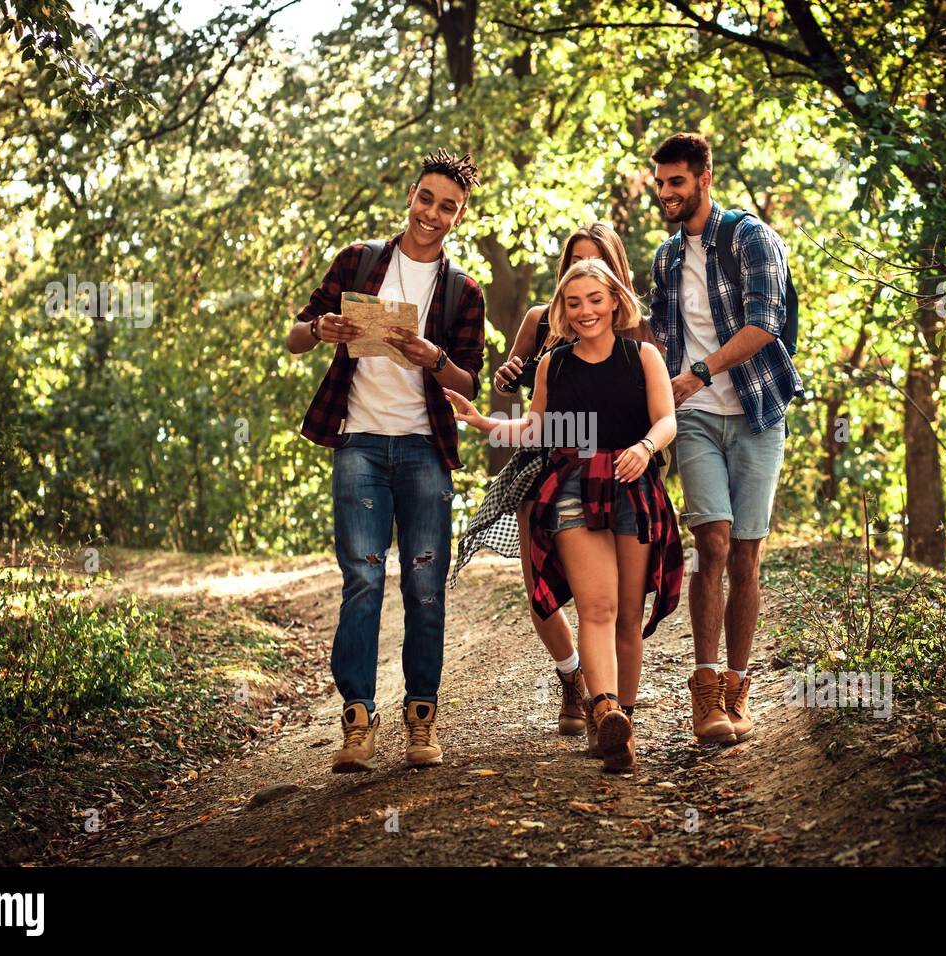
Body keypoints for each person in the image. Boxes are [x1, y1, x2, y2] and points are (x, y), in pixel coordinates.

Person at [286, 149, 486, 773]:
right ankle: (358, 719)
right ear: (411, 195)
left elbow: (471, 384)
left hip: (426, 450)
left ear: (459, 215)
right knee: (364, 580)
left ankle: (421, 716)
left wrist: (432, 357)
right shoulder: (360, 260)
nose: (433, 213)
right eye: (426, 199)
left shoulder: (462, 290)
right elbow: (295, 336)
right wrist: (323, 331)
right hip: (361, 444)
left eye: (447, 206)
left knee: (425, 587)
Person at [445, 258, 683, 772]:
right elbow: (539, 430)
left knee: (626, 612)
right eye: (573, 303)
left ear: (616, 301)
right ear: (561, 310)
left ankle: (624, 725)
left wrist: (644, 447)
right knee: (595, 608)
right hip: (574, 486)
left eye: (595, 300)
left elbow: (667, 421)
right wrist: (485, 422)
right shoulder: (554, 363)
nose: (585, 311)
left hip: (632, 482)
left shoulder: (642, 355)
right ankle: (605, 709)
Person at [648, 133, 802, 746]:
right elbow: (658, 337)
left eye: (676, 182)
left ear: (704, 179)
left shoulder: (750, 238)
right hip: (695, 419)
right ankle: (705, 693)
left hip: (758, 411)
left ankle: (740, 688)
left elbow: (765, 324)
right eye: (660, 183)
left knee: (745, 551)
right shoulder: (664, 258)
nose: (666, 194)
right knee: (709, 542)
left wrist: (700, 373)